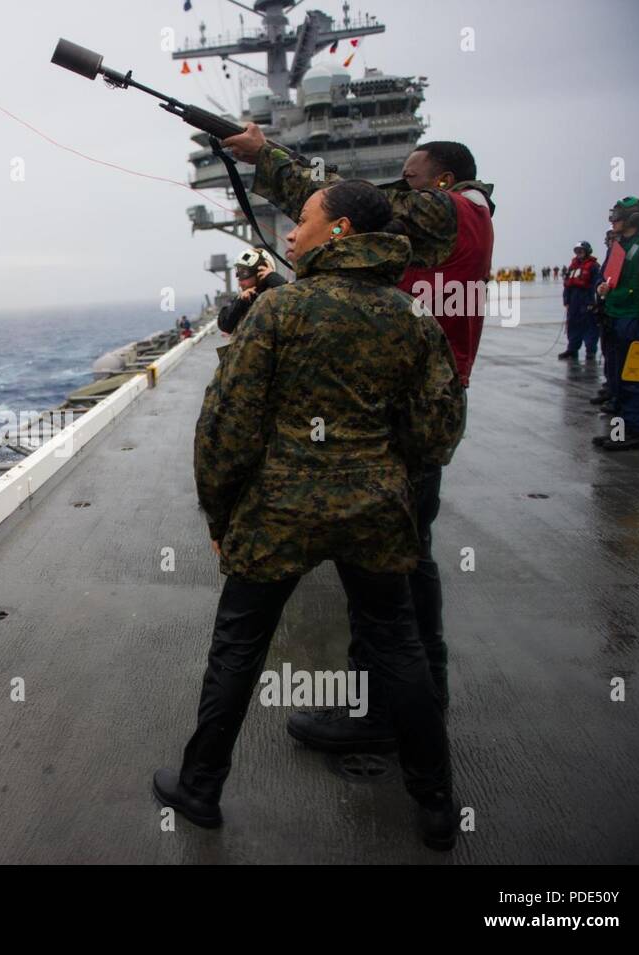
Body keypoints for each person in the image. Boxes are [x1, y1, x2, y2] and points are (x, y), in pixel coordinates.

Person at [153, 179, 467, 850]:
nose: (290, 234)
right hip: (376, 510)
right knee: (399, 647)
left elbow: (226, 427)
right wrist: (384, 472)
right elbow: (436, 434)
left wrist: (219, 514)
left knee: (238, 646)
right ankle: (437, 803)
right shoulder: (412, 318)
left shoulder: (278, 312)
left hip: (280, 510)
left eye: (302, 220)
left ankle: (200, 788)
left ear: (341, 230)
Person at [219, 126, 493, 748]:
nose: (404, 187)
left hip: (396, 421)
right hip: (422, 412)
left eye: (414, 179)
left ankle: (380, 721)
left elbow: (356, 206)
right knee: (405, 581)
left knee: (385, 596)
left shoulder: (453, 215)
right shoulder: (468, 225)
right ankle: (422, 712)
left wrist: (266, 156)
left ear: (444, 183)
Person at [592, 197, 639, 451]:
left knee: (634, 379)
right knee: (616, 379)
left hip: (633, 321)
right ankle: (619, 431)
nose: (613, 220)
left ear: (633, 218)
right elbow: (607, 276)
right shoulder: (620, 246)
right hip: (614, 316)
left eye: (618, 216)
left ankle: (634, 432)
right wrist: (602, 286)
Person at [217, 248, 287, 335]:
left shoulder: (278, 296)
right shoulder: (246, 299)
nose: (240, 283)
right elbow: (225, 325)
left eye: (244, 274)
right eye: (239, 274)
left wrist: (273, 278)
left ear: (261, 272)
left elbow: (294, 300)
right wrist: (240, 303)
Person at [591, 230, 621, 407]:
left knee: (618, 357)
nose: (610, 242)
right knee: (609, 353)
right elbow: (603, 279)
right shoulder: (613, 254)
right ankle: (611, 388)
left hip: (622, 313)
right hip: (608, 309)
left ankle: (617, 397)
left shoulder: (624, 252)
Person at [558, 241, 601, 360]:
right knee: (573, 325)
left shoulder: (594, 266)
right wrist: (566, 301)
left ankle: (590, 351)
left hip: (587, 301)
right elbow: (567, 285)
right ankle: (572, 349)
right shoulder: (572, 266)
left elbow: (597, 285)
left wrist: (594, 303)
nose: (579, 253)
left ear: (587, 251)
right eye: (577, 251)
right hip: (573, 302)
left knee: (590, 327)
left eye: (581, 250)